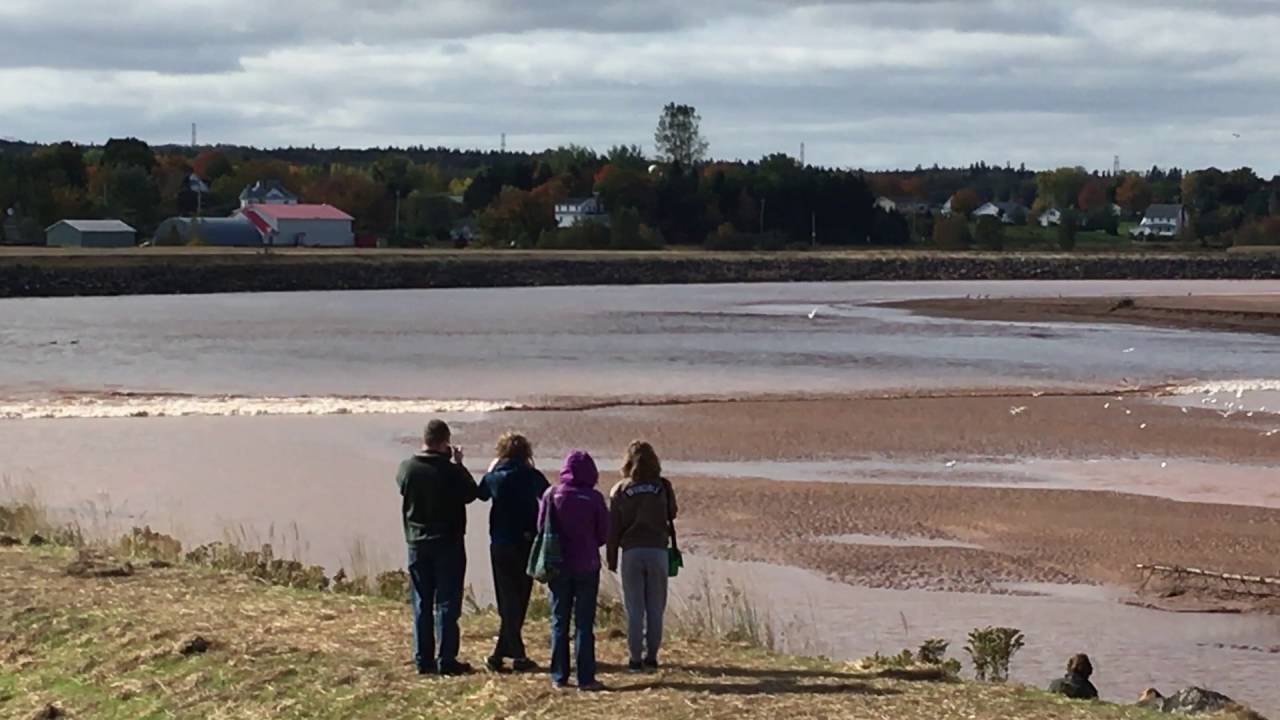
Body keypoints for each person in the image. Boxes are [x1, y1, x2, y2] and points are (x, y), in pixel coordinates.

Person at [396, 419, 478, 676]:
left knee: (422, 602)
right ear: (445, 443)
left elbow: (402, 487)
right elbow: (471, 493)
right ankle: (447, 659)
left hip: (417, 542)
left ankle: (423, 659)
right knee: (447, 603)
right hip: (448, 543)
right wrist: (459, 464)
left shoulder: (407, 468)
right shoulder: (451, 472)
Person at [477, 432, 549, 673]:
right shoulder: (532, 476)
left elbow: (481, 493)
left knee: (507, 598)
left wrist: (491, 469)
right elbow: (548, 496)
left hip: (501, 542)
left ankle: (503, 654)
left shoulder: (496, 478)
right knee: (519, 597)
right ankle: (515, 655)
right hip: (526, 541)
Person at [539, 450, 610, 691]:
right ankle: (586, 678)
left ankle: (559, 676)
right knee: (584, 623)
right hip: (587, 565)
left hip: (558, 565)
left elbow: (541, 527)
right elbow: (604, 533)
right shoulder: (594, 498)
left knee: (559, 620)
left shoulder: (551, 495)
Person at [606, 440, 678, 672]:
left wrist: (611, 557)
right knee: (655, 607)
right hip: (657, 550)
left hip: (631, 552)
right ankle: (652, 656)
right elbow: (673, 512)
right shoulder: (663, 486)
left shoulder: (620, 489)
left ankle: (635, 658)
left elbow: (613, 527)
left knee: (634, 607)